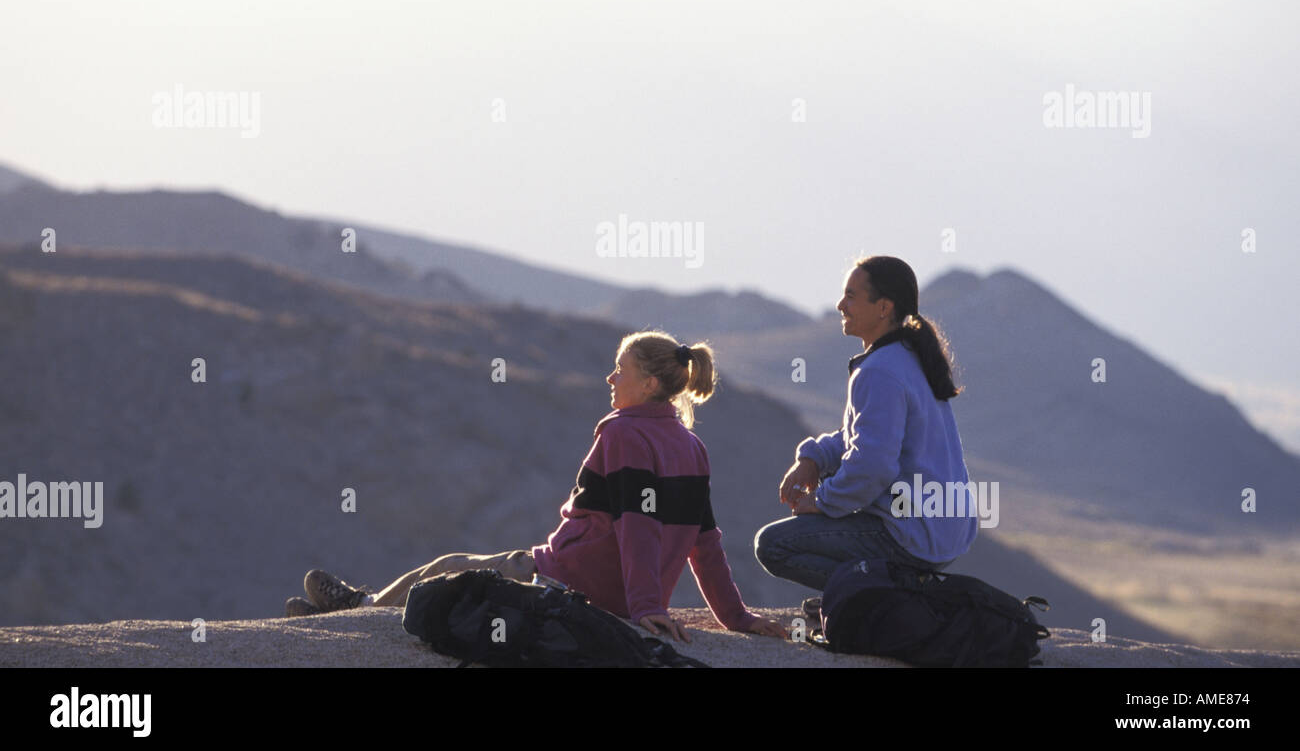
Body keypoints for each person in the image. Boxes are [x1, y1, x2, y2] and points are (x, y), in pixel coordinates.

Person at [288, 331, 786, 643]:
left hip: (569, 579)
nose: (611, 378)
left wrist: (647, 610)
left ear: (650, 384)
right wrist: (736, 618)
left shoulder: (623, 432)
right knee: (454, 567)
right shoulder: (691, 447)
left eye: (622, 370)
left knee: (445, 567)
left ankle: (363, 610)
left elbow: (637, 524)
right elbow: (705, 544)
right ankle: (351, 606)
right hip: (616, 591)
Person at [754, 255, 978, 597]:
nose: (840, 305)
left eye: (851, 296)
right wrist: (813, 459)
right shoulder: (909, 356)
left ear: (884, 307)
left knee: (772, 546)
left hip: (912, 534)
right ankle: (867, 593)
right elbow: (860, 438)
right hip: (945, 529)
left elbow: (873, 466)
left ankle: (877, 598)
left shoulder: (879, 371)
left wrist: (822, 501)